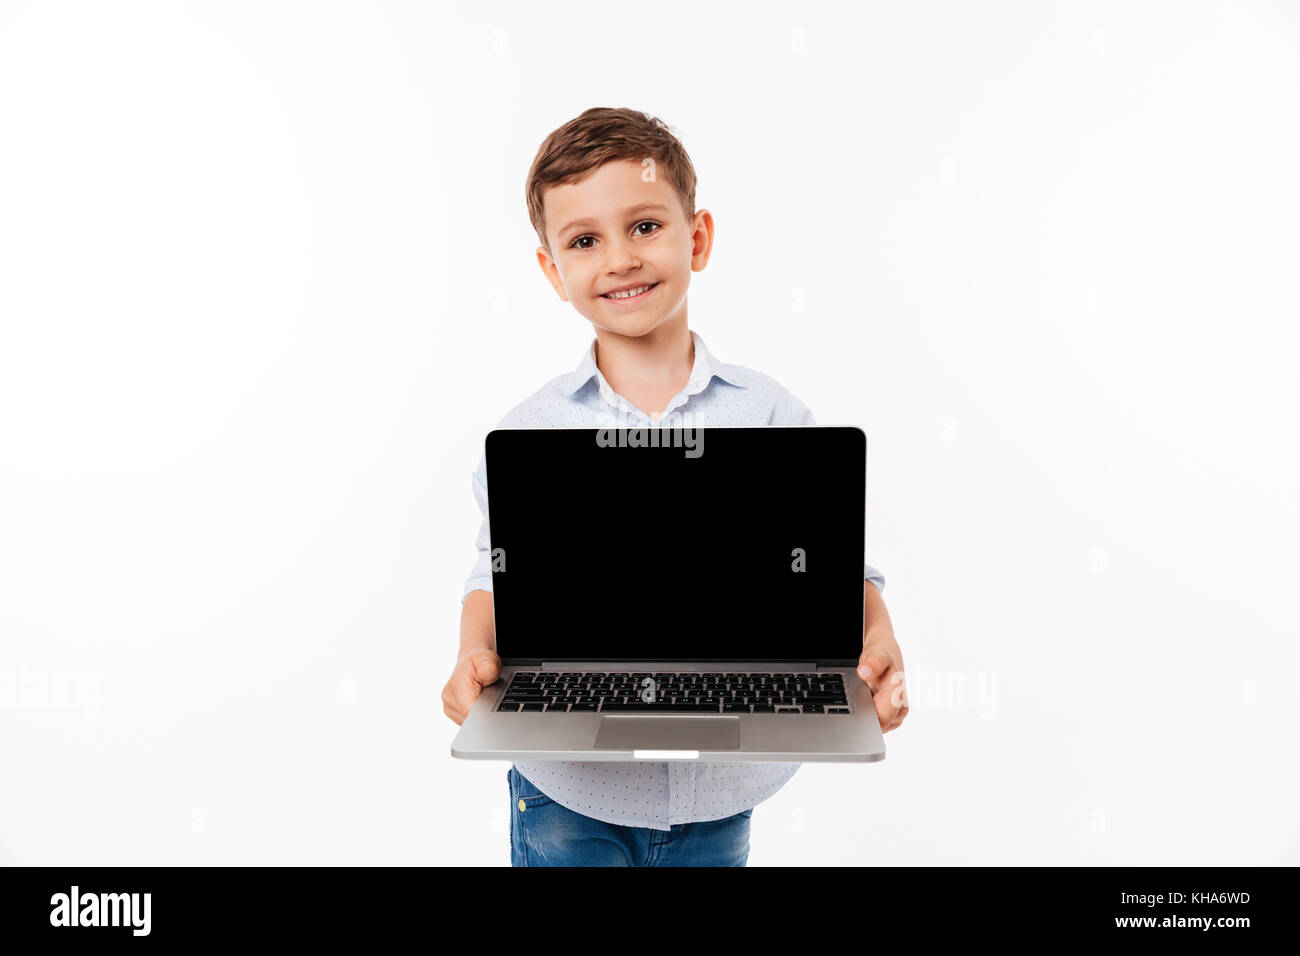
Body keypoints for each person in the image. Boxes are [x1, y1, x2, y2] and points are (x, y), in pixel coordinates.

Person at [442, 107, 908, 866]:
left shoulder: (770, 414)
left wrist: (878, 635)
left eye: (645, 226)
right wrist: (471, 652)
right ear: (553, 272)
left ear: (698, 239)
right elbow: (492, 570)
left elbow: (834, 570)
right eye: (585, 240)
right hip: (567, 794)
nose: (620, 258)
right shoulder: (531, 430)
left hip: (719, 799)